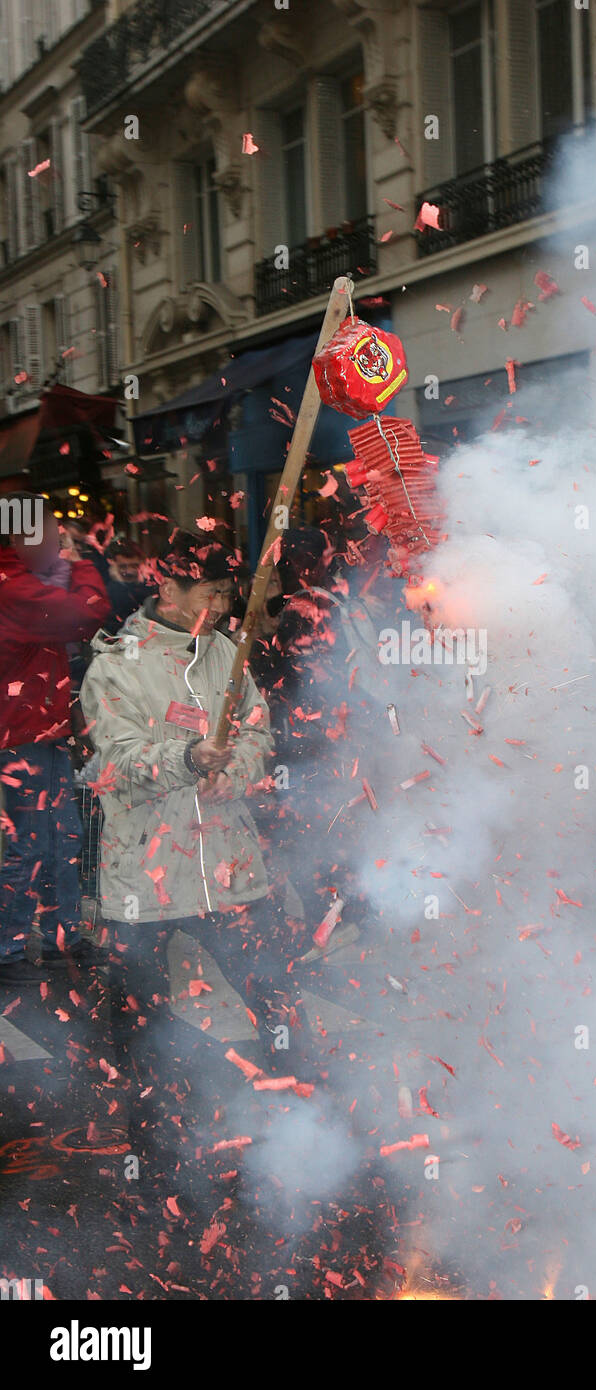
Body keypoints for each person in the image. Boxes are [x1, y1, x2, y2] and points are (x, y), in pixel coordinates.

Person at [79, 532, 312, 1180]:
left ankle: (302, 1121)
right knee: (139, 1017)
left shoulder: (227, 653)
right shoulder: (117, 664)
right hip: (143, 879)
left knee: (276, 988)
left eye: (226, 591)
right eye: (209, 590)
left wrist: (230, 770)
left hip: (229, 868)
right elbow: (116, 763)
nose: (221, 602)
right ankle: (150, 1153)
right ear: (168, 589)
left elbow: (257, 731)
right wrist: (182, 760)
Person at [0, 491, 111, 984]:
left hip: (37, 732)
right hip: (19, 735)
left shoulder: (24, 578)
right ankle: (9, 946)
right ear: (20, 536)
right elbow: (88, 612)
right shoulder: (12, 585)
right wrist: (81, 565)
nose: (56, 539)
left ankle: (61, 934)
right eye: (47, 530)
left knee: (59, 834)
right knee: (31, 842)